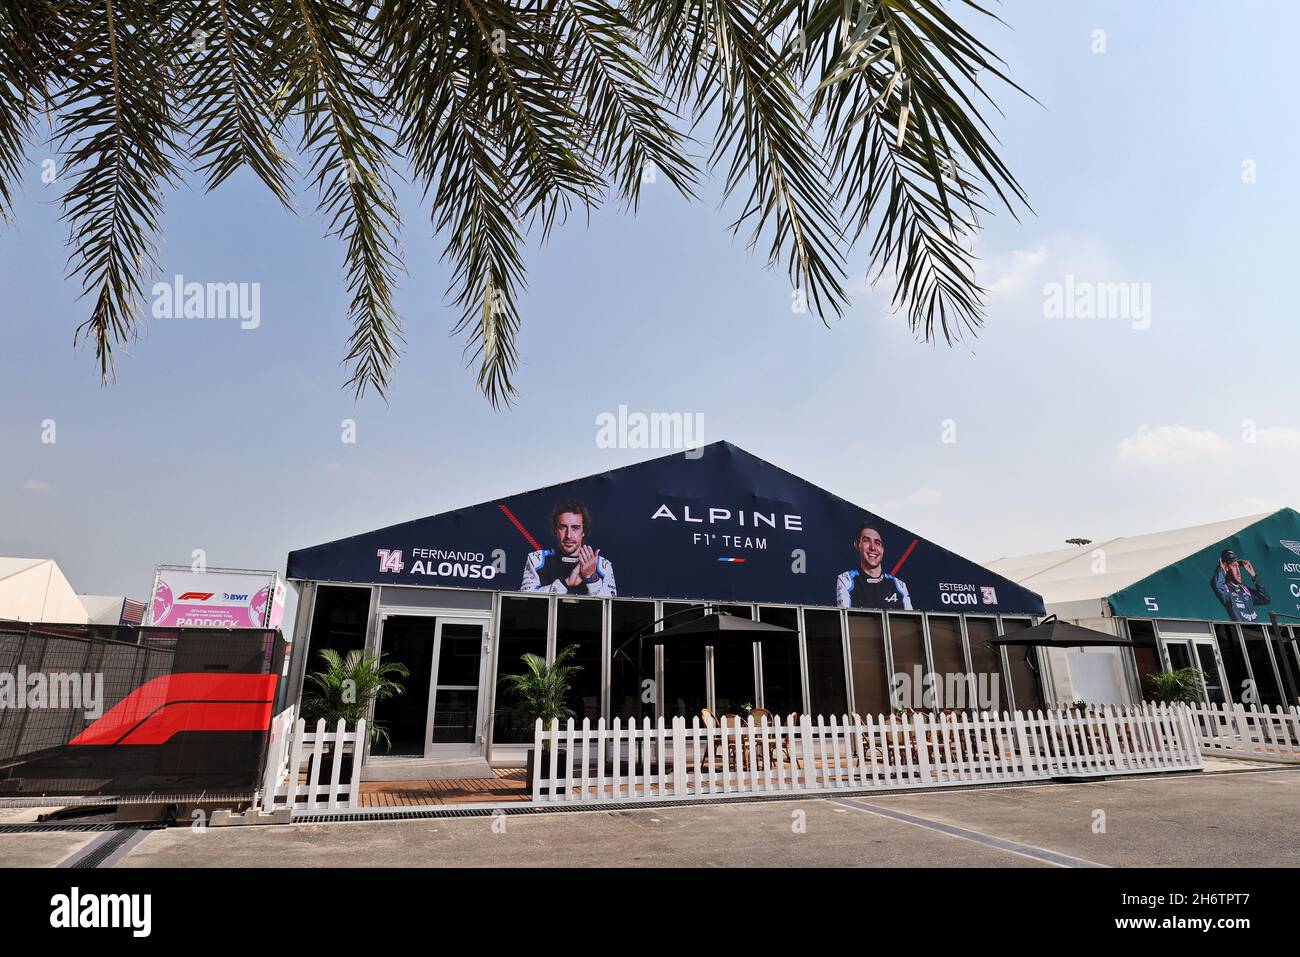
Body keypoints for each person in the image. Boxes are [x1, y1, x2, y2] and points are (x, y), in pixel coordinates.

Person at [520, 500, 617, 596]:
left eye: (575, 528)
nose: (568, 535)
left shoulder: (603, 566)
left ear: (584, 531)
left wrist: (591, 577)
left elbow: (608, 608)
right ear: (555, 530)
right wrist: (565, 583)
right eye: (563, 527)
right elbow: (526, 600)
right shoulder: (537, 561)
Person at [836, 522, 911, 609]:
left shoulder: (899, 586)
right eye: (866, 541)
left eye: (877, 543)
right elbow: (845, 619)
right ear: (857, 545)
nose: (873, 547)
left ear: (882, 549)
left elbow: (910, 621)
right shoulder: (847, 581)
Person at [1211, 548, 1269, 622]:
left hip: (1258, 631)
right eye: (1234, 566)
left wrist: (1254, 576)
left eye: (1238, 566)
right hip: (1243, 632)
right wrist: (1221, 570)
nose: (1238, 571)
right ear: (1226, 567)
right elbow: (1218, 586)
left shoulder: (1244, 589)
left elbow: (1265, 599)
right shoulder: (1227, 591)